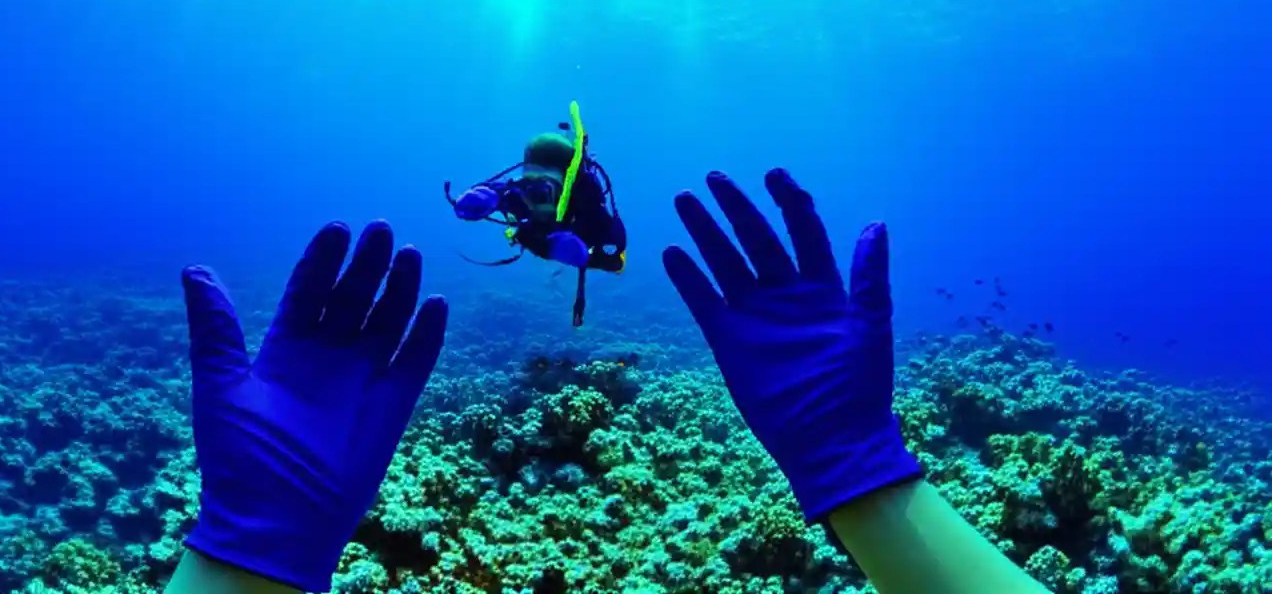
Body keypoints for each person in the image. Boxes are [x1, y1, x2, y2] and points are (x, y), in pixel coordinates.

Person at [166, 169, 1048, 594]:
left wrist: (252, 555)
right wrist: (865, 483)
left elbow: (585, 239)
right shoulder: (520, 194)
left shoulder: (580, 208)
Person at [445, 101, 626, 326]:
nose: (533, 196)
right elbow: (505, 191)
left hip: (577, 227)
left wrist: (587, 257)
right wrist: (489, 196)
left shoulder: (586, 203)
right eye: (528, 183)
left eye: (544, 188)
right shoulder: (522, 195)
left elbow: (616, 258)